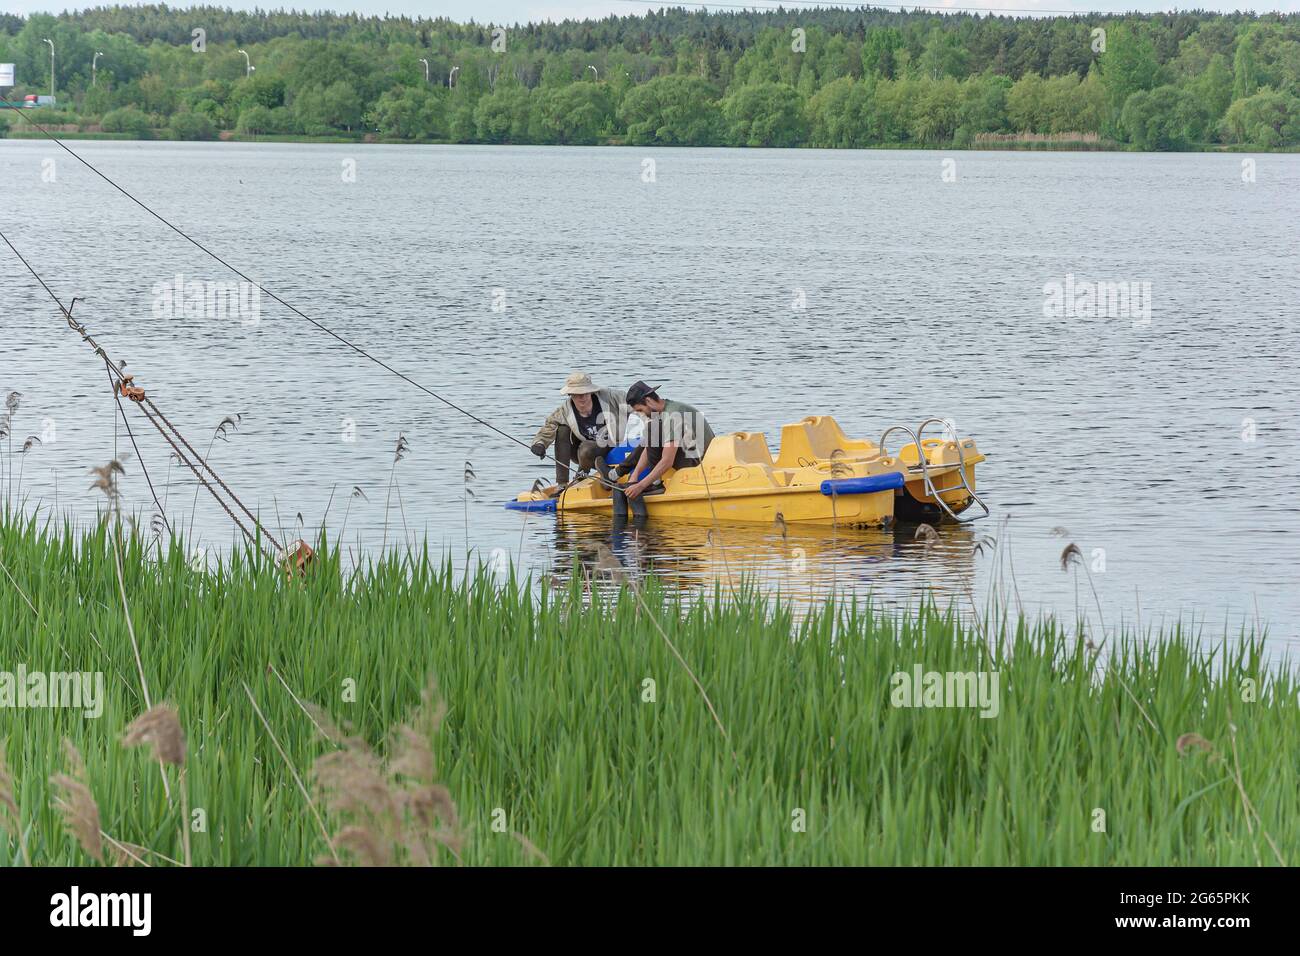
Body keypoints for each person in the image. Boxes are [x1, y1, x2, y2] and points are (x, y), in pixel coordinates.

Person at [530, 372, 632, 485]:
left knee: (586, 448)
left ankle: (582, 475)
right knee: (562, 429)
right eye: (577, 394)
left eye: (585, 393)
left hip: (612, 446)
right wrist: (540, 444)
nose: (582, 397)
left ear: (591, 391)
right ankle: (562, 484)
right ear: (570, 395)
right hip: (583, 455)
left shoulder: (609, 396)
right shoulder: (565, 410)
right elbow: (550, 425)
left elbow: (634, 402)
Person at [620, 380, 716, 500]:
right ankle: (654, 482)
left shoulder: (671, 416)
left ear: (648, 401)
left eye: (640, 410)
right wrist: (635, 475)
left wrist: (641, 486)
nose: (642, 415)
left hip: (698, 463)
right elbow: (649, 447)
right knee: (653, 430)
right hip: (699, 454)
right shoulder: (668, 408)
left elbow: (667, 461)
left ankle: (656, 484)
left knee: (652, 428)